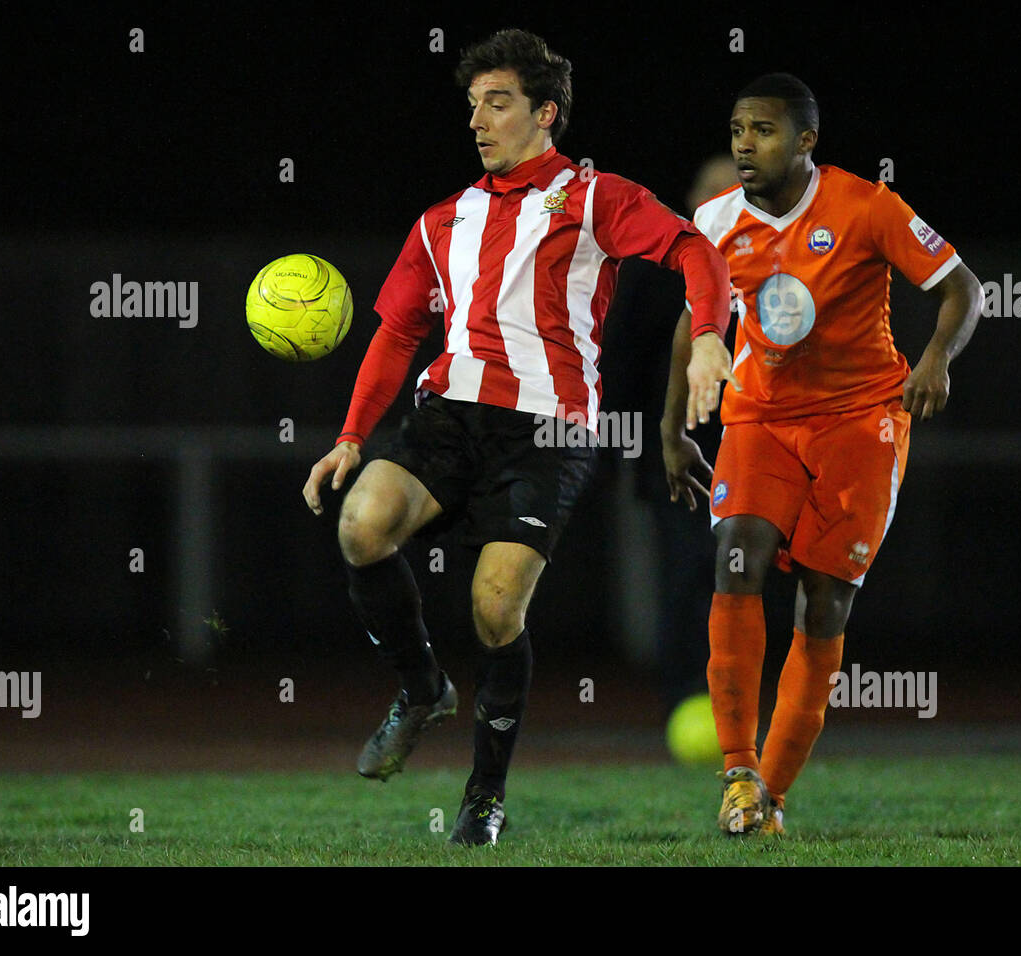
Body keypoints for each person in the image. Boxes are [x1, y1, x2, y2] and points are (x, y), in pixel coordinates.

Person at [301, 28, 734, 846]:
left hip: (547, 427)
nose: (478, 119)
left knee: (496, 610)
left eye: (497, 103)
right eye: (472, 105)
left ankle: (484, 800)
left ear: (546, 113)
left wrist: (708, 332)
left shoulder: (596, 197)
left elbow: (692, 249)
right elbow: (398, 335)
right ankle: (421, 685)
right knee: (361, 523)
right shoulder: (443, 219)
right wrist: (354, 436)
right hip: (450, 413)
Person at [662, 73, 983, 836]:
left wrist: (936, 359)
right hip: (761, 418)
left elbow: (963, 289)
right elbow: (694, 323)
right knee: (735, 555)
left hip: (860, 422)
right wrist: (672, 427)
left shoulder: (868, 207)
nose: (745, 143)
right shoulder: (711, 221)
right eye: (738, 129)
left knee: (823, 601)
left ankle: (770, 793)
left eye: (764, 130)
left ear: (806, 141)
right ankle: (738, 773)